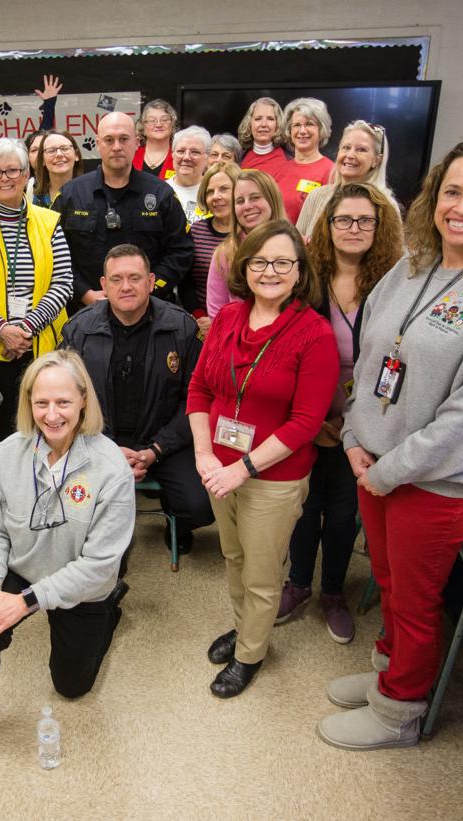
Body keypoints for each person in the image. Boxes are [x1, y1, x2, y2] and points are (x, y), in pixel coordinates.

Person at [318, 139, 463, 750]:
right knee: (392, 586)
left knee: (417, 602)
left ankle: (400, 711)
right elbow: (373, 360)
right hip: (376, 464)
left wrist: (390, 468)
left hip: (437, 481)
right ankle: (387, 671)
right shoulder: (413, 266)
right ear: (433, 197)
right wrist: (355, 442)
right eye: (452, 191)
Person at [0, 350, 133, 788]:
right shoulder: (8, 454)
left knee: (71, 687)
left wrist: (26, 604)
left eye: (63, 403)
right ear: (28, 402)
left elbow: (98, 564)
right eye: (41, 403)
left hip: (83, 582)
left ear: (83, 403)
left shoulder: (111, 467)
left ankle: (112, 607)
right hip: (20, 567)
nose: (51, 415)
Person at [187, 220, 339, 699]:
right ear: (244, 267)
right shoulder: (228, 318)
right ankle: (245, 629)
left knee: (261, 570)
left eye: (282, 263)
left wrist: (241, 469)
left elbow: (305, 423)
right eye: (259, 261)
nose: (269, 271)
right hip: (219, 470)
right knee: (233, 557)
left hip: (272, 478)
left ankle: (250, 654)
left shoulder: (314, 334)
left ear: (299, 272)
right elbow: (199, 389)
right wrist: (205, 453)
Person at [277, 183, 404, 644]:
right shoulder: (306, 277)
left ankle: (333, 591)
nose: (354, 229)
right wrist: (316, 419)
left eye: (364, 220)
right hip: (309, 414)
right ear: (326, 226)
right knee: (305, 506)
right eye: (343, 220)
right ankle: (297, 585)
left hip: (369, 418)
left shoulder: (396, 281)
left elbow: (400, 357)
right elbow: (290, 345)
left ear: (379, 226)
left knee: (346, 509)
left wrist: (353, 424)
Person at [62, 244, 212, 554]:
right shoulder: (80, 329)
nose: (126, 286)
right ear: (104, 285)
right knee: (69, 502)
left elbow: (197, 400)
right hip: (99, 441)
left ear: (150, 281)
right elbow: (64, 399)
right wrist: (107, 450)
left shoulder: (181, 327)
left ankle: (176, 516)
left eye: (135, 277)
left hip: (165, 441)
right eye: (116, 279)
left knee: (202, 505)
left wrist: (157, 450)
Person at [0, 138, 73, 440]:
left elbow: (63, 282)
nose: (4, 178)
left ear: (26, 175)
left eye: (12, 171)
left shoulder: (49, 222)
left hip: (41, 344)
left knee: (46, 425)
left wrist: (27, 327)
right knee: (4, 430)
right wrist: (2, 329)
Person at [52, 112, 194, 312]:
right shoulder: (71, 194)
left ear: (136, 142)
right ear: (98, 143)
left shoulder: (160, 193)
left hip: (149, 311)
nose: (117, 146)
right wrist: (83, 293)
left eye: (124, 139)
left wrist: (148, 289)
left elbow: (181, 251)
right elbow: (55, 254)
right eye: (109, 140)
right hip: (85, 312)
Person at [205, 169, 287, 319]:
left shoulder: (295, 247)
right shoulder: (225, 253)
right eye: (240, 201)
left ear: (272, 199)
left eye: (255, 198)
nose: (247, 206)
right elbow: (217, 313)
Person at [296, 120, 396, 237]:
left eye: (361, 150)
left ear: (376, 160)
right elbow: (295, 247)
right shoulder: (316, 196)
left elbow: (392, 252)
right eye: (346, 148)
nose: (350, 155)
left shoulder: (386, 206)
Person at [185, 161, 240, 323]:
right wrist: (200, 316)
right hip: (201, 322)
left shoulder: (251, 233)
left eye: (224, 189)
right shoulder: (196, 231)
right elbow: (186, 283)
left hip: (242, 322)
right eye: (210, 191)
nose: (216, 197)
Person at [277, 98, 335, 224]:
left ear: (321, 129)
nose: (302, 131)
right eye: (297, 125)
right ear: (289, 130)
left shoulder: (331, 172)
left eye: (309, 124)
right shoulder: (280, 170)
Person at [238, 97, 290, 182]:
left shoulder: (290, 159)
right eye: (258, 119)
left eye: (270, 119)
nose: (263, 124)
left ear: (278, 124)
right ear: (249, 123)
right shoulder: (238, 158)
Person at [168, 126, 212, 224]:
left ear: (207, 158)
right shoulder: (160, 191)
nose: (186, 157)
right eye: (181, 151)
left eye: (195, 152)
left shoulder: (214, 191)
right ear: (172, 155)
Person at [31, 130, 83, 209]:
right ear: (43, 160)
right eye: (51, 150)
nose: (59, 154)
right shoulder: (33, 197)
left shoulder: (89, 192)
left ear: (76, 155)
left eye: (65, 148)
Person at [133, 99, 178, 179]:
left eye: (164, 120)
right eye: (152, 120)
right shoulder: (131, 154)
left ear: (172, 125)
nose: (158, 124)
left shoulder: (179, 157)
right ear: (143, 126)